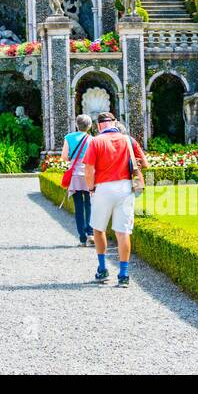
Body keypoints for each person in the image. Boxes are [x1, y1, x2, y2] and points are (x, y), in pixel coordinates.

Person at [81, 112, 148, 287]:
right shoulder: (128, 140)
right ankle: (124, 274)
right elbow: (145, 163)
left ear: (99, 125)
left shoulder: (95, 141)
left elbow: (89, 170)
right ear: (114, 123)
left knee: (98, 228)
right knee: (123, 232)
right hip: (125, 188)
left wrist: (91, 188)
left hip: (103, 188)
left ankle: (103, 269)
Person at [62, 114, 94, 245]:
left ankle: (82, 237)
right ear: (90, 126)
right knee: (90, 204)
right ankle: (90, 233)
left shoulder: (69, 137)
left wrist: (73, 159)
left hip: (75, 175)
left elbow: (64, 157)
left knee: (78, 207)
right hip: (89, 174)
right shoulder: (92, 140)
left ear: (77, 124)